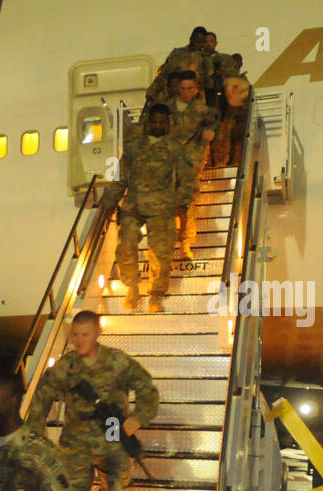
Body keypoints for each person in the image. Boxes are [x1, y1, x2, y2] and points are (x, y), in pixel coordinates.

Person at [27, 311, 160, 491]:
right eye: (74, 334)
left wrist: (139, 416)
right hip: (75, 444)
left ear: (97, 333)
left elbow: (146, 386)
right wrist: (36, 432)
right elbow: (42, 395)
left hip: (112, 441)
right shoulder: (67, 366)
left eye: (85, 334)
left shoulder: (116, 362)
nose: (78, 340)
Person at [101, 104, 194, 313]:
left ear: (168, 123)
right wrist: (109, 203)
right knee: (125, 246)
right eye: (155, 122)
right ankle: (132, 286)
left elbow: (186, 179)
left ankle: (156, 295)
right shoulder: (134, 146)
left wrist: (183, 202)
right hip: (134, 205)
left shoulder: (176, 147)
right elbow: (120, 176)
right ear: (149, 122)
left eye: (162, 122)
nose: (158, 126)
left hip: (162, 206)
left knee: (161, 253)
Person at [157, 71, 219, 256]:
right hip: (168, 163)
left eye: (189, 88)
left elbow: (212, 125)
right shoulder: (166, 108)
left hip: (191, 164)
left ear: (196, 89)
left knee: (187, 203)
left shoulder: (202, 110)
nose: (185, 92)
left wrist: (208, 134)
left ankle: (185, 241)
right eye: (182, 88)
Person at [146, 27, 211, 103]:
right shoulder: (176, 54)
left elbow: (209, 82)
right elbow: (163, 74)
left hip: (193, 100)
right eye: (196, 40)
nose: (198, 44)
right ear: (191, 38)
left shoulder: (205, 59)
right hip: (171, 98)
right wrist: (153, 90)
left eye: (201, 42)